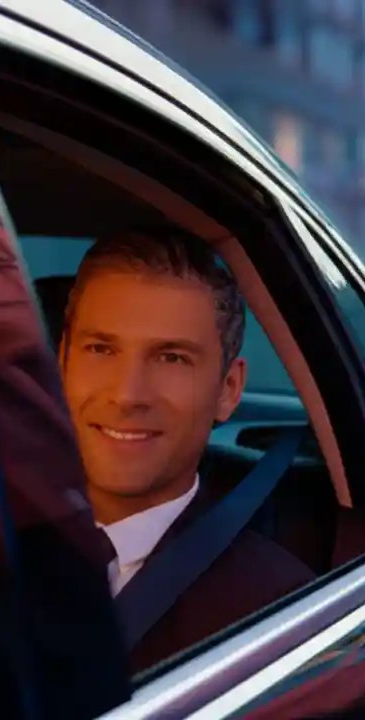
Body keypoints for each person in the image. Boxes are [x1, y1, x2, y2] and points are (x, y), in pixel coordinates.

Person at [58, 227, 315, 671]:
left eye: (171, 358)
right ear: (62, 361)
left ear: (228, 389)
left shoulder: (281, 615)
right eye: (101, 349)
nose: (127, 394)